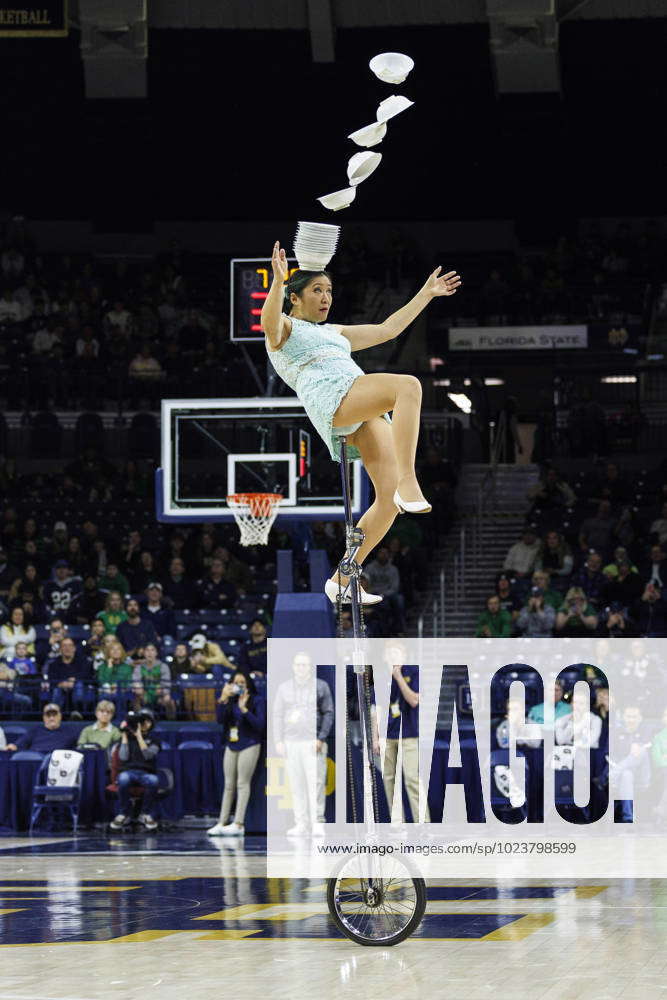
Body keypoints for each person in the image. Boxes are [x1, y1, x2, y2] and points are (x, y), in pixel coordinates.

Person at [261, 243, 461, 605]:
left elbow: (388, 329)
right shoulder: (285, 329)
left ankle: (341, 579)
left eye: (329, 290)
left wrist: (427, 294)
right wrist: (277, 282)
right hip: (332, 395)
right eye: (317, 291)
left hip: (361, 406)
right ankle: (408, 478)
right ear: (294, 298)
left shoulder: (335, 331)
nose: (326, 297)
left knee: (388, 504)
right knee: (408, 385)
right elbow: (268, 324)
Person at [272, 651, 334, 837]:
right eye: (298, 664)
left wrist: (321, 738)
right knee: (296, 785)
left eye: (305, 664)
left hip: (313, 742)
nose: (301, 668)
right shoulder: (284, 688)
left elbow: (329, 713)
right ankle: (301, 823)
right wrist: (278, 740)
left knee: (316, 783)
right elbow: (277, 715)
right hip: (291, 743)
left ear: (310, 667)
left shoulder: (321, 686)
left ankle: (317, 822)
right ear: (293, 667)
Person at [207, 670, 266, 837]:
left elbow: (260, 725)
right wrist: (222, 698)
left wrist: (244, 709)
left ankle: (239, 823)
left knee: (242, 783)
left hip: (250, 744)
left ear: (248, 685)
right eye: (236, 683)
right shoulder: (230, 700)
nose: (239, 686)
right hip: (232, 744)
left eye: (242, 683)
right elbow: (219, 720)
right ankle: (221, 822)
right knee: (228, 785)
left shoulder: (258, 700)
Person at [382, 644, 429, 823]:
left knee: (411, 779)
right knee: (389, 780)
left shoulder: (413, 671)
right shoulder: (379, 675)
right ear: (385, 656)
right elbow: (375, 707)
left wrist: (398, 676)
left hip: (409, 734)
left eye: (398, 651)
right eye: (390, 652)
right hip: (388, 735)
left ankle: (423, 823)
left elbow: (413, 700)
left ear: (405, 654)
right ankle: (397, 824)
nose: (393, 655)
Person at [110, 708, 161, 831]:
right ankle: (123, 813)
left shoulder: (154, 741)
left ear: (152, 724)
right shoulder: (127, 738)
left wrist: (139, 737)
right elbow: (123, 756)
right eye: (142, 721)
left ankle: (145, 814)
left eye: (148, 721)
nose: (144, 724)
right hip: (128, 771)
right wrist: (124, 736)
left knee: (154, 780)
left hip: (146, 772)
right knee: (123, 778)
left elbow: (148, 755)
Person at [45, 636, 94, 714]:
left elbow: (87, 676)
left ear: (74, 648)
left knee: (79, 685)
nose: (67, 648)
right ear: (60, 649)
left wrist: (75, 680)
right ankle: (55, 714)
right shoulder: (53, 664)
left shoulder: (83, 661)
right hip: (61, 688)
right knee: (56, 690)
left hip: (80, 688)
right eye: (64, 646)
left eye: (70, 645)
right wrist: (62, 683)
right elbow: (51, 679)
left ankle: (78, 713)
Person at [363, 546, 406, 633]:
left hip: (388, 594)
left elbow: (395, 587)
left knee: (399, 599)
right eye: (381, 553)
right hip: (372, 593)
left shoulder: (393, 569)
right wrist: (374, 593)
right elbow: (365, 583)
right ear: (377, 554)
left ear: (389, 556)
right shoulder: (370, 567)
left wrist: (383, 595)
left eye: (385, 553)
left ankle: (399, 627)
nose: (383, 555)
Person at [6, 703, 77, 753]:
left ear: (60, 716)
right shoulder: (35, 730)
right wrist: (12, 747)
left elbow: (78, 748)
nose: (51, 718)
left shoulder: (69, 731)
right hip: (36, 761)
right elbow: (19, 745)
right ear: (44, 718)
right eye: (48, 715)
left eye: (54, 715)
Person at [132, 642, 176, 720]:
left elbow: (166, 684)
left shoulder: (163, 666)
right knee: (136, 697)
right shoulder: (139, 667)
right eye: (147, 650)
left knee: (168, 699)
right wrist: (139, 688)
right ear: (144, 653)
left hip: (159, 694)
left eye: (152, 650)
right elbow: (135, 681)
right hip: (144, 694)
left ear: (156, 653)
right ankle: (138, 720)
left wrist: (162, 690)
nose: (150, 653)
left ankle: (171, 721)